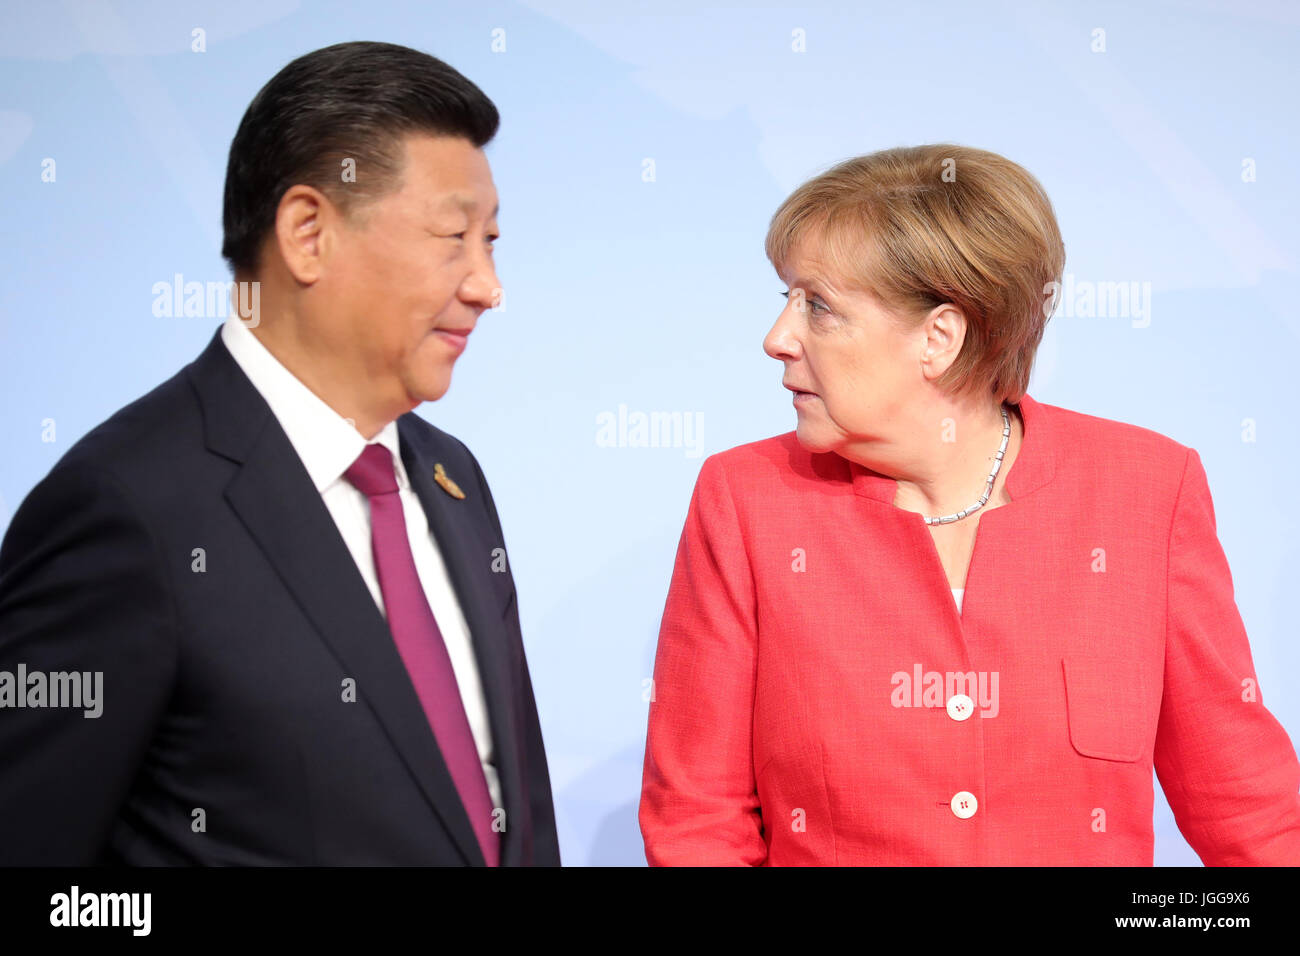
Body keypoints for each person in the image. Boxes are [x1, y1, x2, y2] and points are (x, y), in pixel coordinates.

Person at [639, 143, 1300, 865]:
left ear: (939, 337)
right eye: (787, 300)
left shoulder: (1146, 489)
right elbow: (696, 822)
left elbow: (1248, 810)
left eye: (818, 307)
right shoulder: (746, 499)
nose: (777, 339)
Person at [0, 41, 560, 866]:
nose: (487, 285)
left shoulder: (454, 480)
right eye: (454, 237)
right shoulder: (126, 506)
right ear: (308, 233)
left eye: (493, 241)